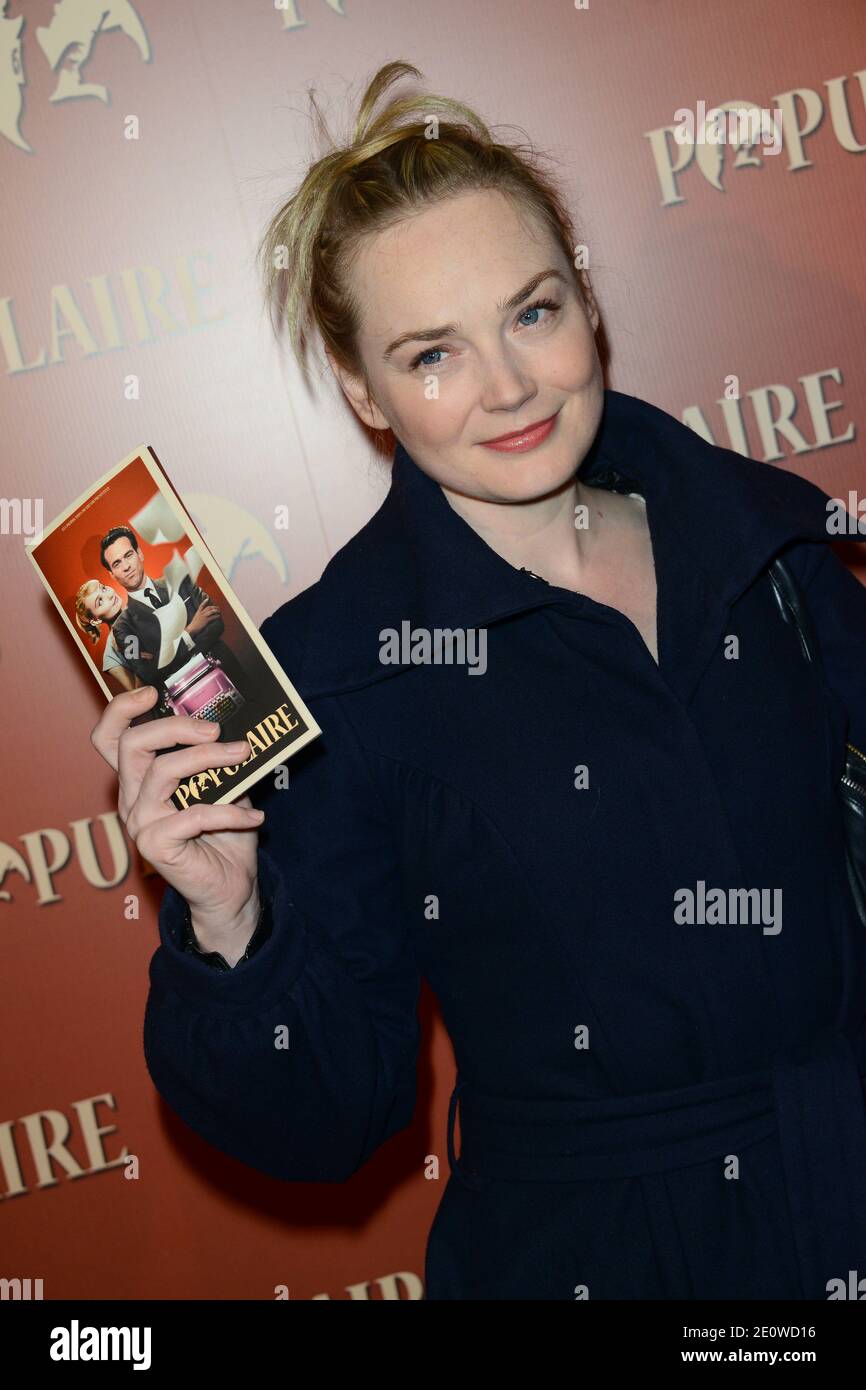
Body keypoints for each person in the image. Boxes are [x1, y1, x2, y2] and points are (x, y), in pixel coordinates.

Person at [89, 61, 866, 1300]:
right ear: (360, 388)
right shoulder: (338, 672)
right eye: (431, 352)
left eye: (532, 312)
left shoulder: (763, 544)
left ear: (584, 301)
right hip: (596, 1263)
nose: (506, 387)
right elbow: (323, 1116)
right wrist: (230, 922)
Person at [99, 525, 244, 698]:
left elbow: (215, 622)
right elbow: (149, 673)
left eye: (128, 555)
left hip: (231, 677)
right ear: (112, 575)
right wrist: (190, 632)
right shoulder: (122, 627)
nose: (126, 566)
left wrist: (163, 658)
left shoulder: (178, 579)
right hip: (186, 702)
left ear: (139, 554)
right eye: (117, 563)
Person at [74, 577, 140, 694]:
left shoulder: (141, 603)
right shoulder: (110, 657)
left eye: (103, 588)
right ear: (96, 620)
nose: (109, 595)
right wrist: (135, 657)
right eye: (100, 601)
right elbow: (140, 695)